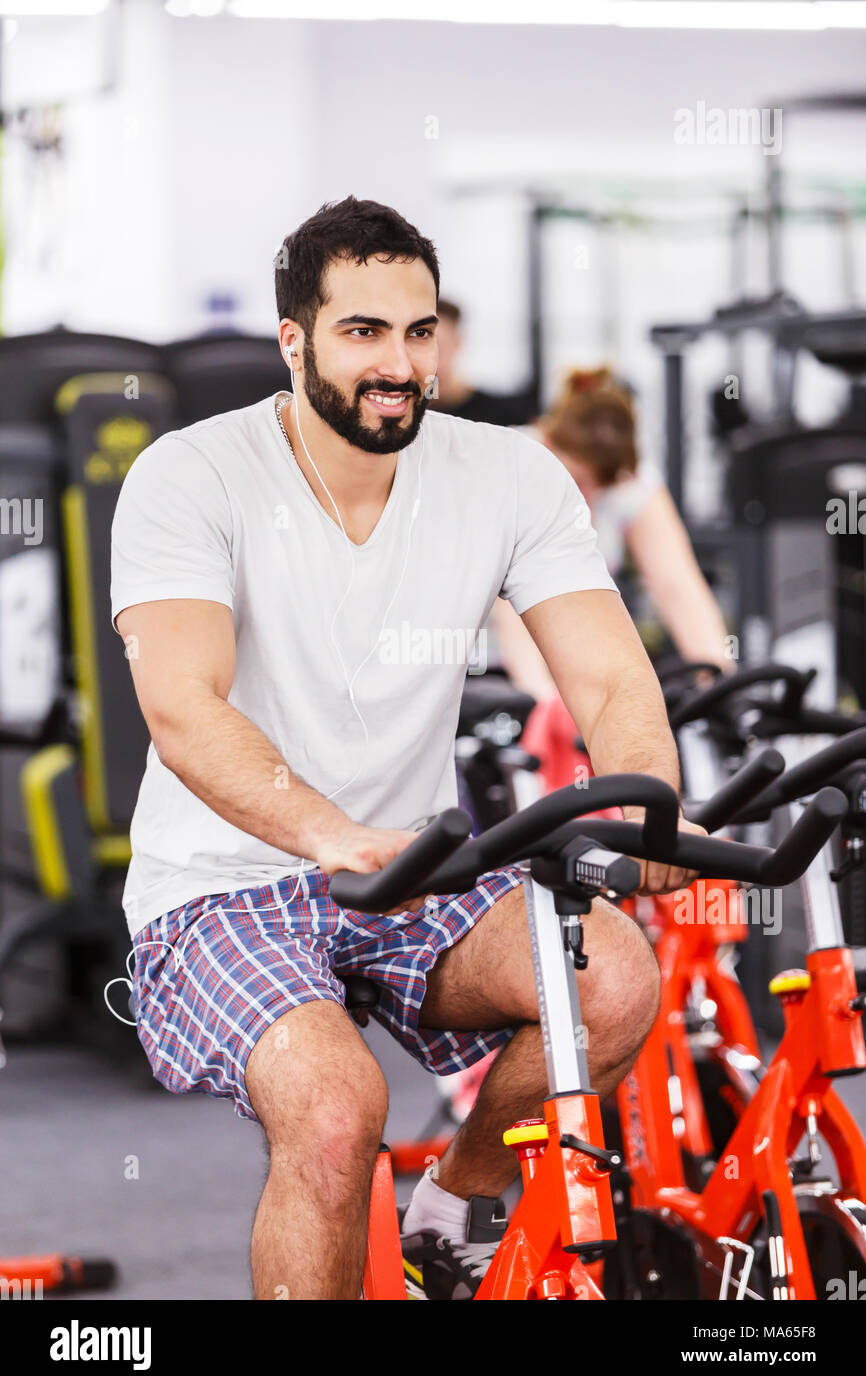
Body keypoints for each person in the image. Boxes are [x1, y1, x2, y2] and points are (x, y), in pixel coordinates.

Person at [110, 196, 704, 1302]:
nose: (398, 363)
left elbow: (613, 672)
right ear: (294, 341)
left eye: (418, 331)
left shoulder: (506, 474)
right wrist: (332, 832)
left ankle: (446, 1211)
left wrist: (655, 803)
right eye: (363, 331)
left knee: (613, 978)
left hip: (416, 866)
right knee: (336, 1112)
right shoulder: (190, 477)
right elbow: (183, 709)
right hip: (223, 883)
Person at [492, 367, 736, 707]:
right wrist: (543, 698)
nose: (587, 497)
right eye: (577, 480)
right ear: (547, 440)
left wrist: (720, 681)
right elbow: (508, 602)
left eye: (599, 486)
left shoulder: (630, 483)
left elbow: (679, 589)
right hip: (485, 665)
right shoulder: (511, 462)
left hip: (571, 665)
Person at [426, 298, 536, 426]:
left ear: (457, 343)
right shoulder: (407, 417)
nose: (427, 357)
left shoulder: (502, 415)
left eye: (438, 346)